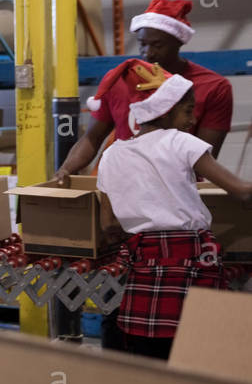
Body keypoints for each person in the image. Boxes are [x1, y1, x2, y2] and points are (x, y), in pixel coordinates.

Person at [94, 59, 252, 360]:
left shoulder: (111, 154)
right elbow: (240, 191)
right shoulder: (182, 142)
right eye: (188, 110)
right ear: (165, 109)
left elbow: (108, 225)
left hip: (144, 263)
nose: (192, 119)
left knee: (150, 351)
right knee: (200, 347)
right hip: (191, 259)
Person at [56, 0, 233, 184]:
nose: (148, 53)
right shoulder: (119, 80)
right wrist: (65, 170)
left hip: (175, 188)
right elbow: (92, 137)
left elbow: (205, 155)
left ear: (178, 42)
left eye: (157, 45)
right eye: (142, 43)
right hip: (124, 185)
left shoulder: (214, 87)